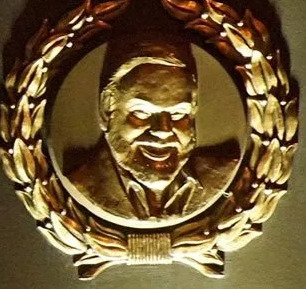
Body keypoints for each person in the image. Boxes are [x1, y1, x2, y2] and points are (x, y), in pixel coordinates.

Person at [66, 31, 238, 223]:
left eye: (178, 114)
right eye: (142, 113)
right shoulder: (81, 185)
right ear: (107, 110)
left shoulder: (224, 176)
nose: (163, 130)